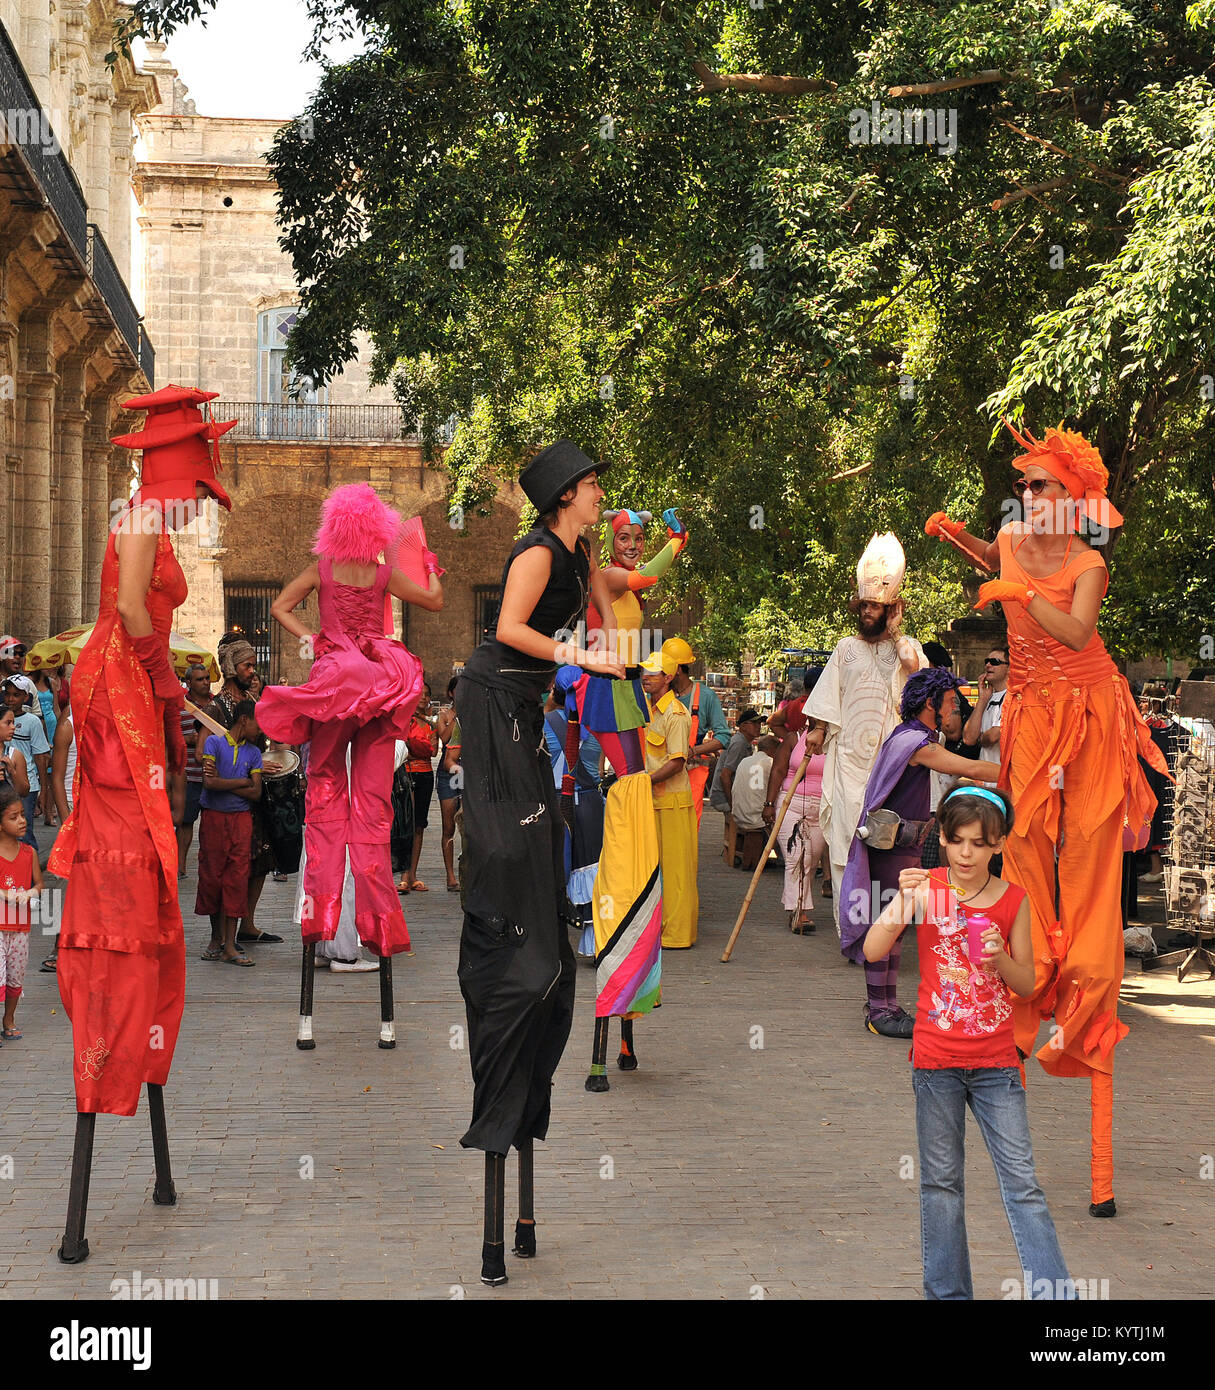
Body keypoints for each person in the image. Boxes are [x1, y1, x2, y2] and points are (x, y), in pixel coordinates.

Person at [926, 419, 1168, 1215]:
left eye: (1042, 486)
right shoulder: (1007, 538)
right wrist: (957, 537)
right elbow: (990, 567)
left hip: (1091, 716)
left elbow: (1075, 630)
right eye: (1023, 484)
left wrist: (1022, 591)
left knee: (1090, 871)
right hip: (1031, 717)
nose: (1027, 496)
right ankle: (1032, 989)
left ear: (1075, 500)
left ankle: (1088, 1004)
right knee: (1020, 860)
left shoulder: (1088, 561)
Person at [50, 383, 235, 1263]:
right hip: (120, 684)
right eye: (201, 481)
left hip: (134, 688)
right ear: (176, 468)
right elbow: (127, 610)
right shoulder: (136, 516)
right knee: (127, 837)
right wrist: (165, 682)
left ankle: (141, 1009)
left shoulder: (150, 517)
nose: (203, 499)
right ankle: (111, 1021)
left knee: (151, 843)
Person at [455, 438, 624, 1285]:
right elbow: (509, 631)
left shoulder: (576, 550)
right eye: (594, 486)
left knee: (543, 827)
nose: (602, 494)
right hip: (491, 700)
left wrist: (621, 572)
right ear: (565, 494)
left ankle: (541, 949)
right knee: (510, 830)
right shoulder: (531, 552)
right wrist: (580, 657)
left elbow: (611, 602)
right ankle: (502, 924)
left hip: (527, 706)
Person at [864, 787, 1073, 1301]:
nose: (965, 854)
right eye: (955, 841)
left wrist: (1000, 956)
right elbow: (872, 949)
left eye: (978, 844)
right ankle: (947, 1294)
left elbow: (1028, 985)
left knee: (1023, 1186)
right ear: (941, 838)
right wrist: (902, 902)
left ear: (997, 845)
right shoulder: (929, 888)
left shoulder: (1012, 901)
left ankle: (1056, 1297)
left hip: (997, 1065)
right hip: (935, 1061)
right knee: (940, 1187)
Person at [259, 483, 442, 962]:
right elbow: (435, 602)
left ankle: (320, 916)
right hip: (381, 678)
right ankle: (378, 921)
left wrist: (315, 638)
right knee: (373, 798)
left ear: (335, 526)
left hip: (338, 674)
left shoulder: (322, 569)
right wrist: (428, 565)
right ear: (376, 528)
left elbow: (280, 607)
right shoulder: (383, 575)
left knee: (324, 785)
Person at [841, 668, 1000, 1037]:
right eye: (949, 703)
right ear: (931, 704)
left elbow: (957, 772)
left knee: (892, 929)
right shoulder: (917, 742)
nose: (953, 709)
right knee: (888, 928)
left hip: (899, 846)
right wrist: (1024, 771)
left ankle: (884, 1007)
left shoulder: (910, 738)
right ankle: (881, 1011)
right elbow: (970, 765)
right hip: (893, 849)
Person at [802, 533, 928, 924]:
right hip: (847, 765)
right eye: (866, 605)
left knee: (883, 844)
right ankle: (851, 930)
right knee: (843, 843)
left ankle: (881, 929)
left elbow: (919, 673)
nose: (869, 611)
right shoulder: (844, 649)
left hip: (890, 765)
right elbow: (827, 699)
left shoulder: (905, 645)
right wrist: (818, 729)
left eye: (877, 605)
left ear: (891, 608)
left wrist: (896, 631)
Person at [195, 701, 263, 966]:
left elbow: (256, 793)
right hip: (213, 818)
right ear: (244, 720)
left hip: (240, 820)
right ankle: (216, 938)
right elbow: (208, 782)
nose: (260, 729)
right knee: (212, 876)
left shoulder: (254, 753)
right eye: (258, 722)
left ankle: (230, 944)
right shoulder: (214, 743)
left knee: (236, 878)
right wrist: (244, 781)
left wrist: (224, 784)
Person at [640, 649, 698, 949]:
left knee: (676, 872)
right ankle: (662, 929)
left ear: (668, 677)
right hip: (655, 800)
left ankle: (677, 935)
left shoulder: (675, 713)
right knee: (660, 869)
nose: (645, 677)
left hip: (673, 801)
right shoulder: (650, 710)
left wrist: (642, 781)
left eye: (652, 673)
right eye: (645, 672)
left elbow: (677, 762)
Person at [587, 506, 689, 664]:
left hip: (627, 677)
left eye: (639, 539)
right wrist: (677, 537)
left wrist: (677, 544)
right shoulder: (609, 576)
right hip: (605, 679)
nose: (633, 545)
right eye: (623, 538)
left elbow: (651, 569)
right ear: (610, 540)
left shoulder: (627, 578)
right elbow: (649, 575)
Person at [662, 636, 731, 821]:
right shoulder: (657, 694)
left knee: (688, 826)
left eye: (663, 666)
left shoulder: (706, 697)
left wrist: (693, 751)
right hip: (661, 772)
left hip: (691, 774)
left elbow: (723, 737)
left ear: (676, 670)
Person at [771, 724, 827, 933]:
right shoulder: (794, 737)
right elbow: (778, 770)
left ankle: (795, 904)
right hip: (791, 804)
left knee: (811, 862)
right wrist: (768, 805)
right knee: (798, 858)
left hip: (822, 807)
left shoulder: (836, 741)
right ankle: (798, 911)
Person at [0, 784, 42, 1042]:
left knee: (15, 978)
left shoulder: (30, 853)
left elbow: (39, 884)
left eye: (22, 815)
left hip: (20, 929)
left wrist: (30, 893)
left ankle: (9, 1019)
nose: (22, 821)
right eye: (13, 817)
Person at [399, 684, 438, 892]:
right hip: (406, 773)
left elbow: (433, 752)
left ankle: (412, 874)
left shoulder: (430, 723)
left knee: (419, 825)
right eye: (420, 694)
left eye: (427, 695)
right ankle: (403, 874)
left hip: (425, 774)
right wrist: (417, 751)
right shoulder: (404, 720)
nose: (423, 698)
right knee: (406, 821)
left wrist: (415, 750)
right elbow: (401, 750)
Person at [4, 679, 49, 850]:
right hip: (5, 782)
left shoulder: (32, 721)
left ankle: (31, 872)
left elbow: (40, 757)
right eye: (7, 694)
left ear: (25, 697)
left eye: (16, 695)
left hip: (27, 784)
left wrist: (44, 789)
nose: (10, 699)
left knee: (24, 832)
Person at [176, 663, 212, 876]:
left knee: (210, 826)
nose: (206, 682)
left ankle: (207, 868)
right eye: (200, 679)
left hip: (211, 775)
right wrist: (186, 739)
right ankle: (180, 866)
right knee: (185, 823)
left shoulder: (216, 704)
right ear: (188, 683)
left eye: (207, 678)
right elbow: (165, 737)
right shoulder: (179, 706)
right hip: (188, 775)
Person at [434, 676, 462, 891]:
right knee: (448, 826)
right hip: (448, 772)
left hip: (467, 771)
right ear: (451, 693)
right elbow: (444, 738)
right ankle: (450, 875)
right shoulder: (443, 715)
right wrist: (456, 717)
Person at [708, 707, 762, 817]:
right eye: (754, 723)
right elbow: (725, 776)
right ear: (743, 726)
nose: (758, 726)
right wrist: (733, 804)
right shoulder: (739, 743)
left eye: (759, 723)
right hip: (723, 797)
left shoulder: (744, 742)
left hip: (724, 796)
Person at [963, 646, 1009, 766]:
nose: (988, 665)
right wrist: (982, 700)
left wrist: (980, 739)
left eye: (995, 662)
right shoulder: (987, 697)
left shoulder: (1013, 697)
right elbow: (969, 738)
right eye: (986, 661)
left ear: (1009, 668)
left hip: (1003, 778)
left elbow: (994, 735)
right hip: (985, 778)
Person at [730, 734, 778, 833]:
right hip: (758, 819)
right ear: (774, 749)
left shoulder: (744, 761)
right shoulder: (771, 763)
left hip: (739, 816)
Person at [32, 669, 59, 823]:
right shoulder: (30, 682)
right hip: (37, 724)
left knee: (50, 771)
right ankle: (35, 803)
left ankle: (49, 813)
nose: (50, 667)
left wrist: (62, 727)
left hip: (51, 725)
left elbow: (56, 707)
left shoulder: (52, 682)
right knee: (37, 766)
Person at [0, 637, 38, 711]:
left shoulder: (29, 684)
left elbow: (38, 717)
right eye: (13, 653)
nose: (17, 657)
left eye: (21, 654)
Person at [0, 708, 30, 798]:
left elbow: (24, 792)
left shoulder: (15, 755)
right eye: (8, 723)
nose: (13, 727)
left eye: (13, 723)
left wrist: (12, 772)